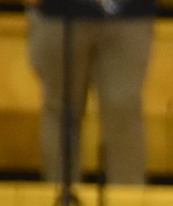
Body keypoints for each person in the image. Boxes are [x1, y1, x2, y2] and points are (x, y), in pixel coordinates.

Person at [27, 0, 154, 185]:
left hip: (130, 14)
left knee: (124, 110)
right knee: (61, 110)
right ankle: (60, 203)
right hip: (57, 14)